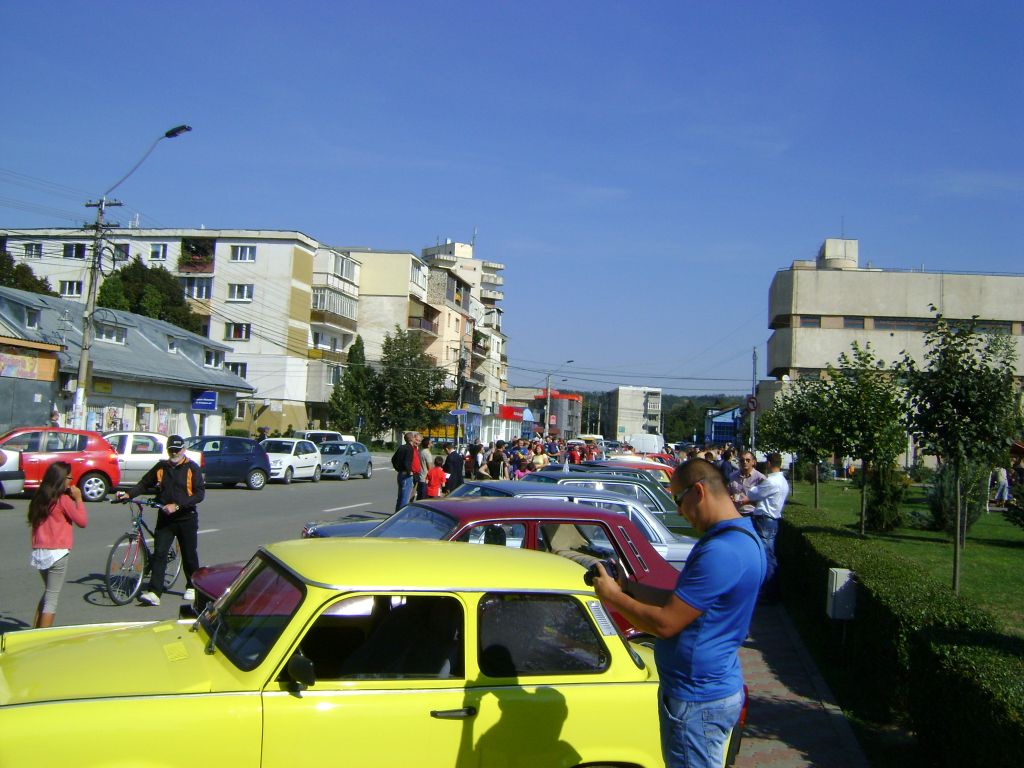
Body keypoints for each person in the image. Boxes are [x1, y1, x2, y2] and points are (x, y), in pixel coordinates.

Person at [591, 458, 765, 768]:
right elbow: (682, 602)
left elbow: (667, 623)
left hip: (697, 698)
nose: (679, 512)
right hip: (709, 687)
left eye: (678, 500)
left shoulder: (721, 552)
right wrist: (630, 587)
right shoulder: (738, 539)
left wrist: (614, 598)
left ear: (698, 491)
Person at [115, 434, 205, 606]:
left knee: (189, 554)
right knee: (160, 552)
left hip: (186, 517)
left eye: (177, 450)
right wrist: (128, 494)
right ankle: (154, 592)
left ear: (184, 450)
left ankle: (192, 585)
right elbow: (144, 483)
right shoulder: (161, 467)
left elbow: (199, 494)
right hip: (165, 518)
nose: (174, 453)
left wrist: (177, 505)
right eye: (171, 450)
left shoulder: (192, 468)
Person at [28, 461, 87, 628]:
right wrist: (79, 499)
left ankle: (35, 631)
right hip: (58, 553)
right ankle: (42, 637)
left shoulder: (40, 497)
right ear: (61, 479)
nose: (72, 481)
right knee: (52, 598)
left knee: (48, 593)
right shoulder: (63, 500)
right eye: (69, 477)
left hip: (39, 551)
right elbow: (82, 521)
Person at [738, 451, 789, 602]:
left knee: (766, 554)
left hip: (765, 519)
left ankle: (769, 591)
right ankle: (769, 590)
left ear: (768, 464)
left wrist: (747, 495)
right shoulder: (782, 480)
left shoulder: (771, 481)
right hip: (770, 519)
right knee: (767, 552)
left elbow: (754, 493)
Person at [728, 451, 765, 516]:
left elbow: (763, 498)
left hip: (752, 513)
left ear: (753, 462)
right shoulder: (732, 476)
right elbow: (727, 493)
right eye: (742, 460)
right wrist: (730, 497)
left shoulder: (760, 478)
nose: (745, 462)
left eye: (748, 460)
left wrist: (749, 500)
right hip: (735, 512)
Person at [391, 431, 421, 511]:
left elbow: (393, 459)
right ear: (412, 439)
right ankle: (401, 517)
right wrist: (409, 471)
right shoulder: (410, 448)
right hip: (406, 475)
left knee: (400, 497)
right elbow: (407, 461)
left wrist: (397, 468)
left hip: (400, 474)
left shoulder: (401, 447)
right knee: (405, 498)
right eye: (414, 438)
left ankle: (396, 514)